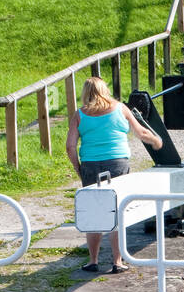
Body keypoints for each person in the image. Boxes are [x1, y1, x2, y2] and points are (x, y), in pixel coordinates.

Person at [66, 76, 163, 272]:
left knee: (94, 212)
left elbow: (70, 146)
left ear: (86, 93)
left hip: (90, 166)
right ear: (105, 90)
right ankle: (117, 262)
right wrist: (157, 141)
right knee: (117, 211)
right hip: (117, 164)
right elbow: (141, 133)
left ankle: (93, 261)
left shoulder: (79, 115)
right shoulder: (120, 108)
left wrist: (78, 168)